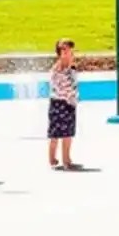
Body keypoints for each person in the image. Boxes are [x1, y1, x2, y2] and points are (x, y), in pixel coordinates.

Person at [48, 38, 80, 169]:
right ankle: (52, 157)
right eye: (66, 52)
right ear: (60, 53)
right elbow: (61, 87)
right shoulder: (58, 68)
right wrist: (70, 97)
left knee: (68, 134)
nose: (69, 56)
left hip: (69, 104)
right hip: (58, 103)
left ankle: (66, 158)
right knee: (55, 134)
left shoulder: (71, 68)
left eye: (71, 53)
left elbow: (73, 85)